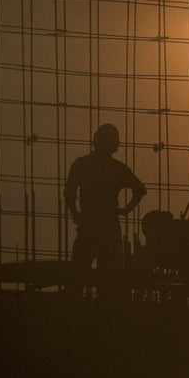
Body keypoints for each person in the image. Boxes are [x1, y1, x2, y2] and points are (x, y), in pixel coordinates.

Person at [65, 124, 146, 297]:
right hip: (109, 227)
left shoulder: (82, 164)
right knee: (109, 279)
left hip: (88, 225)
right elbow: (140, 189)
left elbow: (69, 193)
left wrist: (76, 215)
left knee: (78, 274)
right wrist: (126, 209)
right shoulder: (116, 168)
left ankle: (72, 311)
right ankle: (106, 315)